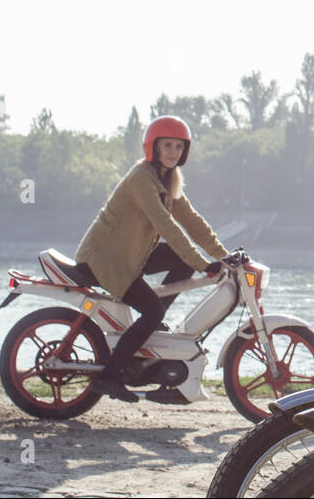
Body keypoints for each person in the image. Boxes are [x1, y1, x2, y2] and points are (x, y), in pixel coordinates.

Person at [76, 115, 230, 401]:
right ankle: (108, 378)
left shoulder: (168, 180)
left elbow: (192, 221)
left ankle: (150, 328)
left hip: (131, 254)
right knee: (152, 311)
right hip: (107, 259)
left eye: (178, 147)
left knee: (179, 264)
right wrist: (203, 263)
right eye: (167, 146)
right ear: (153, 148)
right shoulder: (141, 179)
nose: (173, 152)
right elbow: (166, 225)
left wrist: (223, 254)